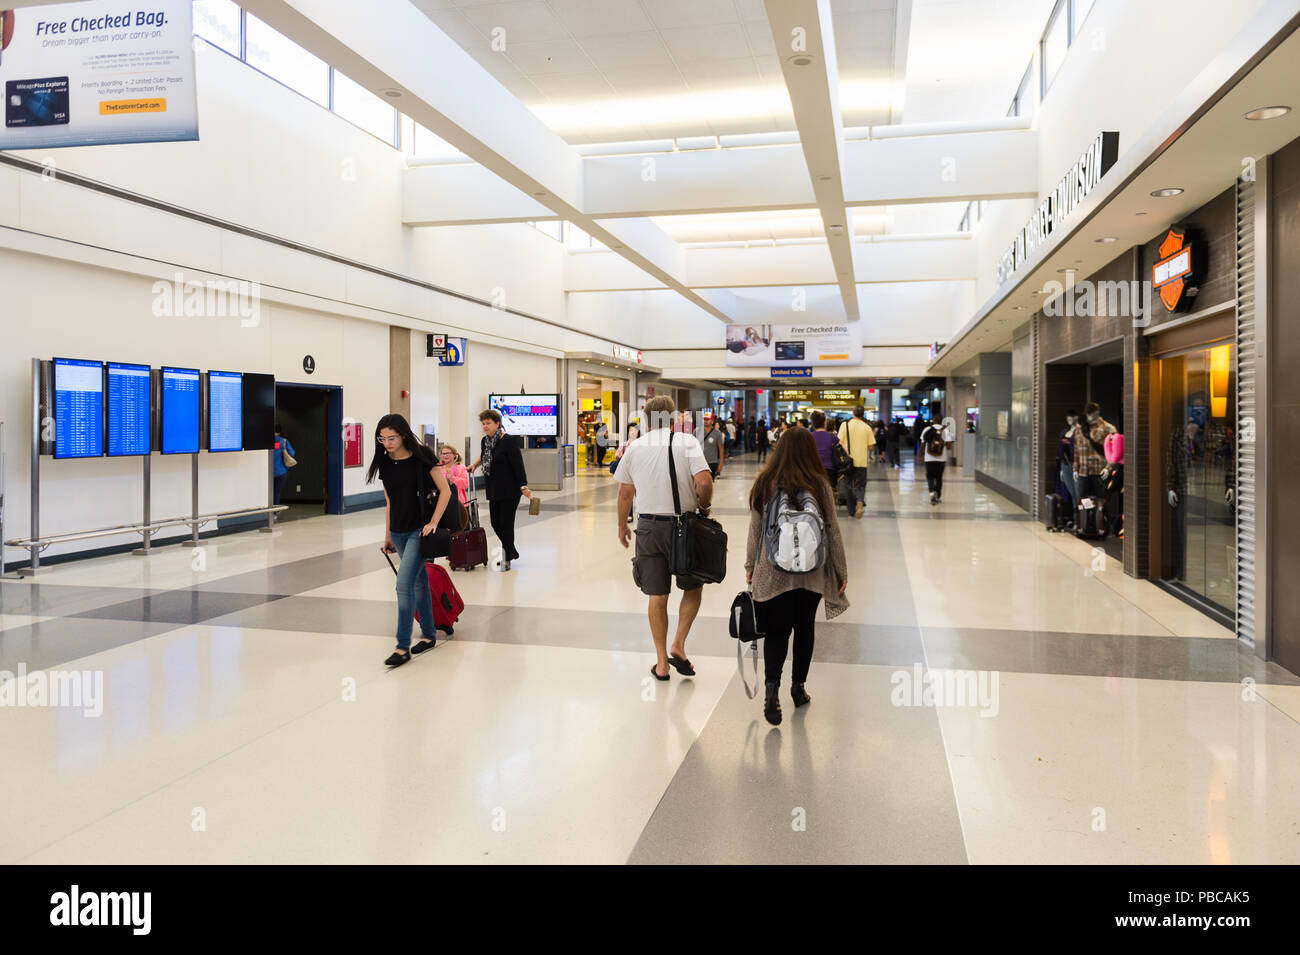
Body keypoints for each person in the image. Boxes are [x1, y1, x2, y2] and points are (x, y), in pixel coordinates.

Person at [745, 426, 849, 726]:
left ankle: (771, 689)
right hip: (811, 572)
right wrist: (841, 570)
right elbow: (833, 531)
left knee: (777, 631)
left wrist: (750, 566)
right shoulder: (819, 484)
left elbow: (754, 531)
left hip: (773, 569)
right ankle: (798, 687)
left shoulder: (764, 482)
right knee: (805, 629)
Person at [616, 395, 714, 682]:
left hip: (648, 528)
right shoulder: (687, 442)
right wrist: (704, 506)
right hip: (684, 527)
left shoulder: (635, 447)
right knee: (692, 587)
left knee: (657, 596)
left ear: (646, 418)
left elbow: (625, 493)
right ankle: (678, 644)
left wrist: (622, 525)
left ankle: (661, 663)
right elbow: (705, 481)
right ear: (673, 418)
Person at [368, 414, 458, 667]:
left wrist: (433, 523)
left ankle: (401, 647)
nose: (387, 443)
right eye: (382, 438)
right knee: (418, 583)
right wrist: (387, 535)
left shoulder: (423, 457)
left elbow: (446, 491)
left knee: (403, 584)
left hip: (420, 531)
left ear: (403, 435)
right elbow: (390, 501)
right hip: (398, 531)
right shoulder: (385, 463)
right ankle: (429, 635)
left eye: (391, 438)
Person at [470, 409, 533, 571]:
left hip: (510, 490)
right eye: (483, 424)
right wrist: (474, 465)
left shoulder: (508, 441)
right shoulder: (486, 441)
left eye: (488, 423)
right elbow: (484, 454)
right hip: (493, 488)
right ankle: (511, 550)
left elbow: (518, 465)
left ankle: (506, 559)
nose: (485, 426)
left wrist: (523, 485)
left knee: (506, 524)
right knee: (494, 522)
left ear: (497, 424)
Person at [1072, 401, 1118, 512]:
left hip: (1100, 470)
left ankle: (1100, 525)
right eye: (1087, 414)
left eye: (1091, 413)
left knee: (1101, 500)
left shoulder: (1108, 429)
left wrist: (1109, 468)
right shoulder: (1080, 429)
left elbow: (1115, 451)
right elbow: (1076, 450)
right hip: (1083, 470)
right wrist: (1075, 469)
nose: (1089, 416)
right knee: (1082, 500)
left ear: (1097, 413)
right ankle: (1084, 524)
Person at [837, 405, 875, 519]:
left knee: (848, 485)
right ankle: (859, 501)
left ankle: (850, 513)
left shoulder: (845, 425)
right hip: (861, 461)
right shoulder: (866, 427)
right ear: (863, 414)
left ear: (853, 413)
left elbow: (839, 442)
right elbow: (871, 446)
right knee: (860, 485)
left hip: (848, 462)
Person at [920, 414, 954, 505]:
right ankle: (938, 496)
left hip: (929, 458)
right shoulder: (945, 431)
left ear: (933, 420)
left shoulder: (927, 430)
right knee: (939, 477)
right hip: (941, 458)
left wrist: (920, 455)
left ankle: (931, 492)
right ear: (941, 421)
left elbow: (923, 444)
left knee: (930, 476)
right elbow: (949, 447)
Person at [809, 410, 841, 491]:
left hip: (814, 470)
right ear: (825, 423)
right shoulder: (832, 436)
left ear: (813, 423)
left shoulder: (809, 436)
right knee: (830, 494)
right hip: (830, 471)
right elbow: (844, 450)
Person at [272, 423, 296, 516]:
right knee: (277, 492)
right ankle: (275, 513)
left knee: (269, 492)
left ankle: (268, 511)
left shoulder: (266, 441)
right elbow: (292, 453)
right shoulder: (283, 441)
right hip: (282, 472)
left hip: (269, 472)